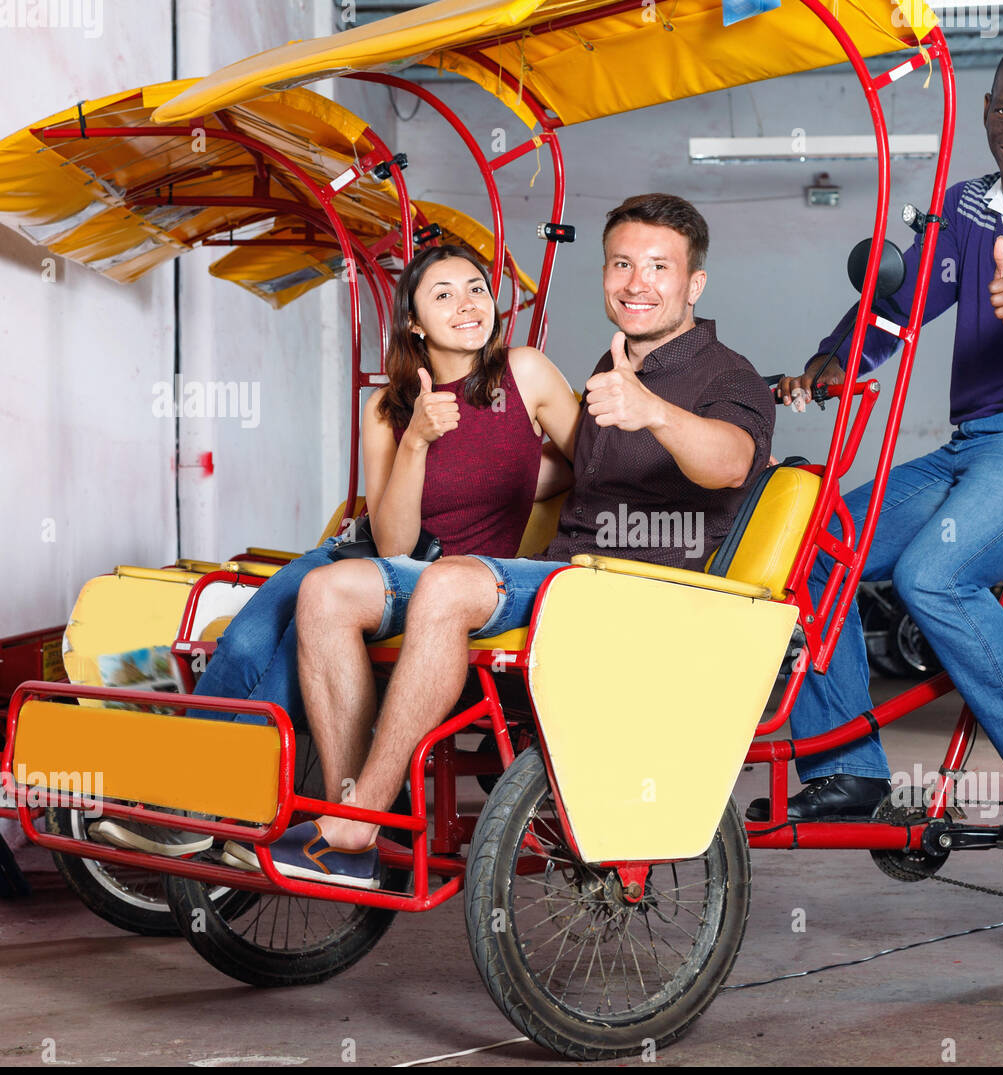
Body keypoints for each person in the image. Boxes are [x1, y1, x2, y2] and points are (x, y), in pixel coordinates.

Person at [261, 192, 775, 888]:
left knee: (448, 582)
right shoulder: (612, 361)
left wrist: (653, 412)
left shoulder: (726, 373)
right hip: (560, 576)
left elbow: (733, 462)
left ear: (694, 283)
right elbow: (561, 469)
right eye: (621, 264)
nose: (636, 283)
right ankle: (356, 802)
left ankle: (355, 830)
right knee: (324, 591)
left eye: (658, 266)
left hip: (642, 592)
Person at [747, 42, 1003, 851]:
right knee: (818, 549)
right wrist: (837, 356)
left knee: (936, 572)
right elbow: (897, 305)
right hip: (980, 445)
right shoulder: (966, 209)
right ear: (987, 110)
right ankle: (851, 768)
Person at [90, 243, 580, 858]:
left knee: (295, 643)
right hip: (358, 556)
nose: (467, 306)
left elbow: (586, 457)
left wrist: (523, 480)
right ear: (413, 322)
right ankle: (189, 799)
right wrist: (418, 442)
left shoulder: (526, 371)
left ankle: (214, 808)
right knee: (244, 641)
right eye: (443, 295)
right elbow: (390, 536)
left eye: (477, 289)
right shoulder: (387, 406)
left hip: (430, 574)